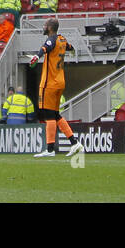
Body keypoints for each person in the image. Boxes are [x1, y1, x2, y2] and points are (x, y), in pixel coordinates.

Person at [28, 18, 84, 158]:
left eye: (45, 25)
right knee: (55, 115)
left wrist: (36, 56)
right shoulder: (62, 39)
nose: (43, 27)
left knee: (48, 116)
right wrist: (71, 51)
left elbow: (45, 48)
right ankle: (74, 142)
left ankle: (50, 149)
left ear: (50, 28)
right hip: (60, 81)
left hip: (50, 83)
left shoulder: (52, 39)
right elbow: (70, 47)